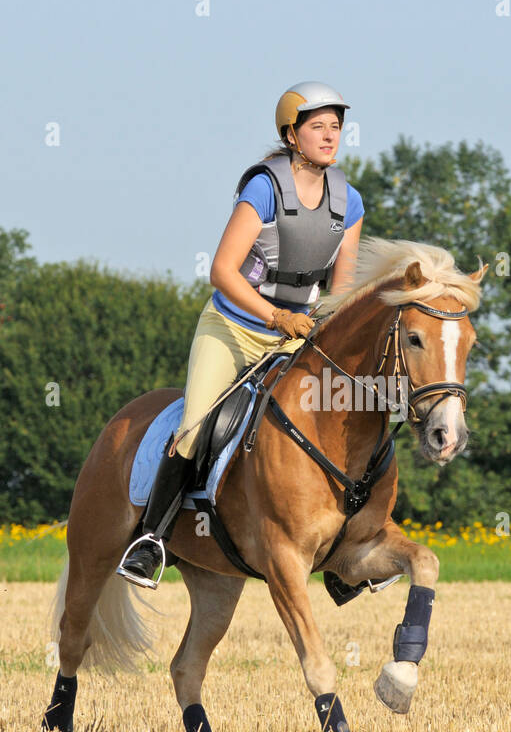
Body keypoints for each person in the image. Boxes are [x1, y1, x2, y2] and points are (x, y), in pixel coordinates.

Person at [117, 81, 366, 587]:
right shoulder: (264, 188)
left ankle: (346, 552)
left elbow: (342, 288)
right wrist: (276, 318)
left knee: (347, 420)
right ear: (291, 134)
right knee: (195, 425)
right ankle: (152, 538)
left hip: (299, 333)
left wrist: (327, 328)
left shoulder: (350, 201)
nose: (329, 135)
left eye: (335, 126)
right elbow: (224, 271)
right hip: (233, 328)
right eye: (317, 126)